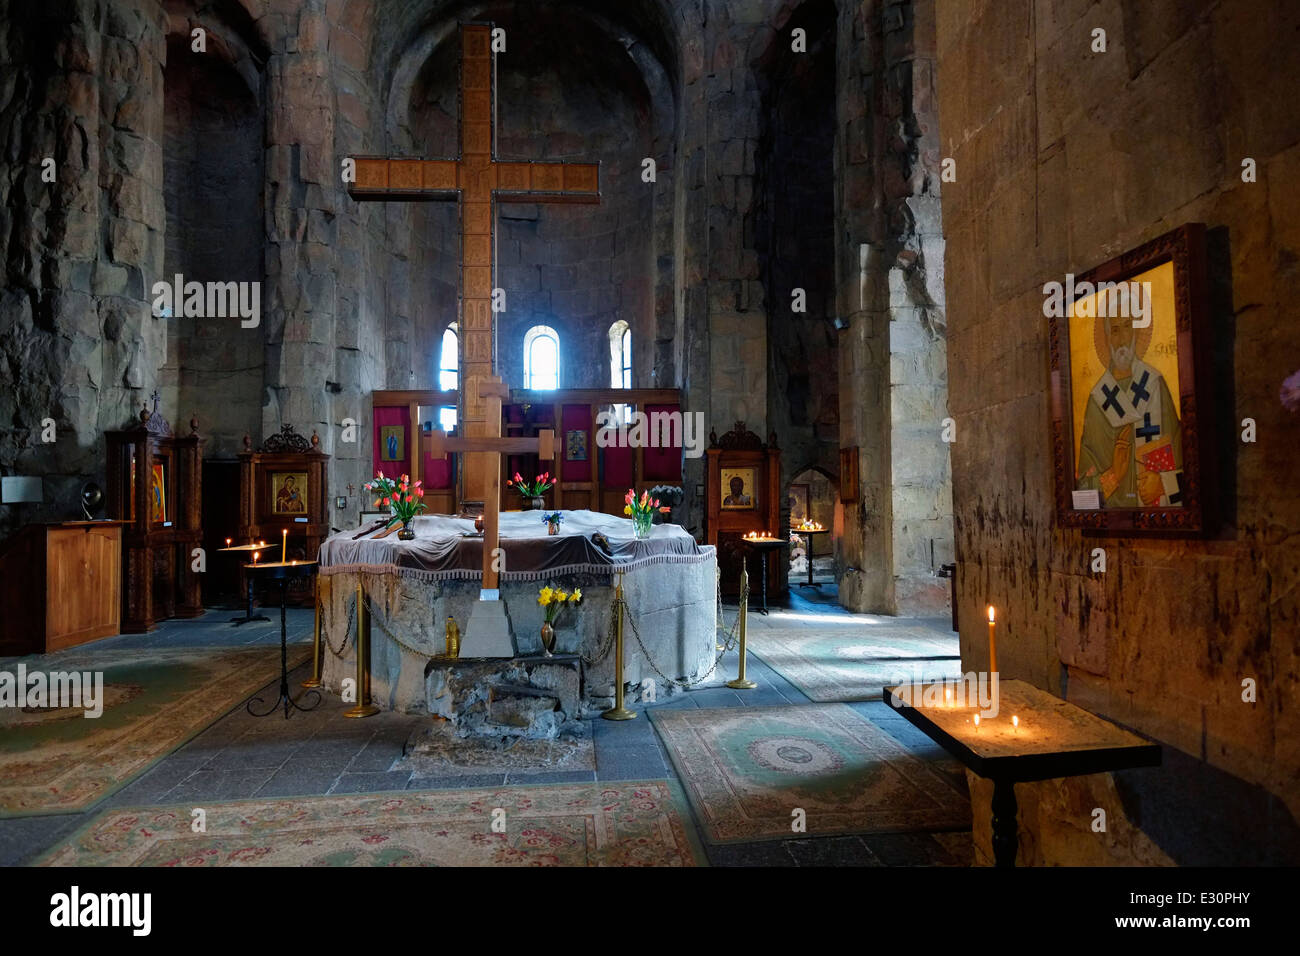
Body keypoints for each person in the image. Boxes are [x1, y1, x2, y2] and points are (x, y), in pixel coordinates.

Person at [1077, 314, 1182, 508]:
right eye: (1114, 330)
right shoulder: (1096, 402)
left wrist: (1162, 485)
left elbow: (1189, 465)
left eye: (1127, 327)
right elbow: (1080, 496)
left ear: (1136, 332)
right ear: (1107, 338)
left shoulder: (1154, 385)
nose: (1122, 339)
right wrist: (1113, 475)